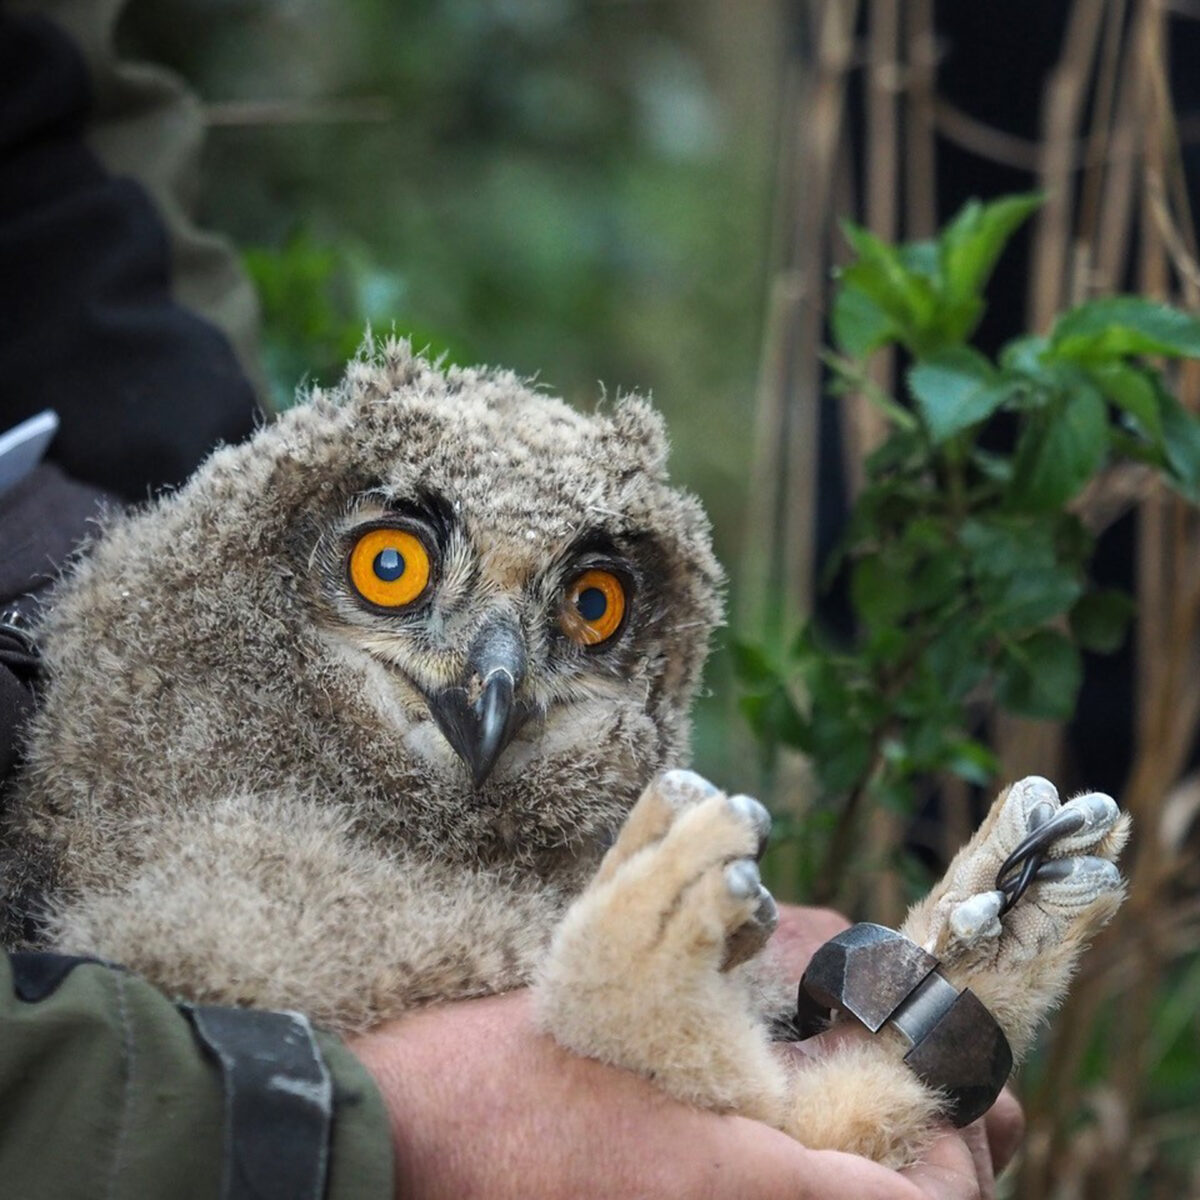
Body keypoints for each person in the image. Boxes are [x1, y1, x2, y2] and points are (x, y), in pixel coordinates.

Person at [0, 2, 1022, 1196]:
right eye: (395, 571)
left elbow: (42, 137)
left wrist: (102, 562)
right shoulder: (177, 874)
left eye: (590, 609)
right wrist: (361, 1124)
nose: (493, 669)